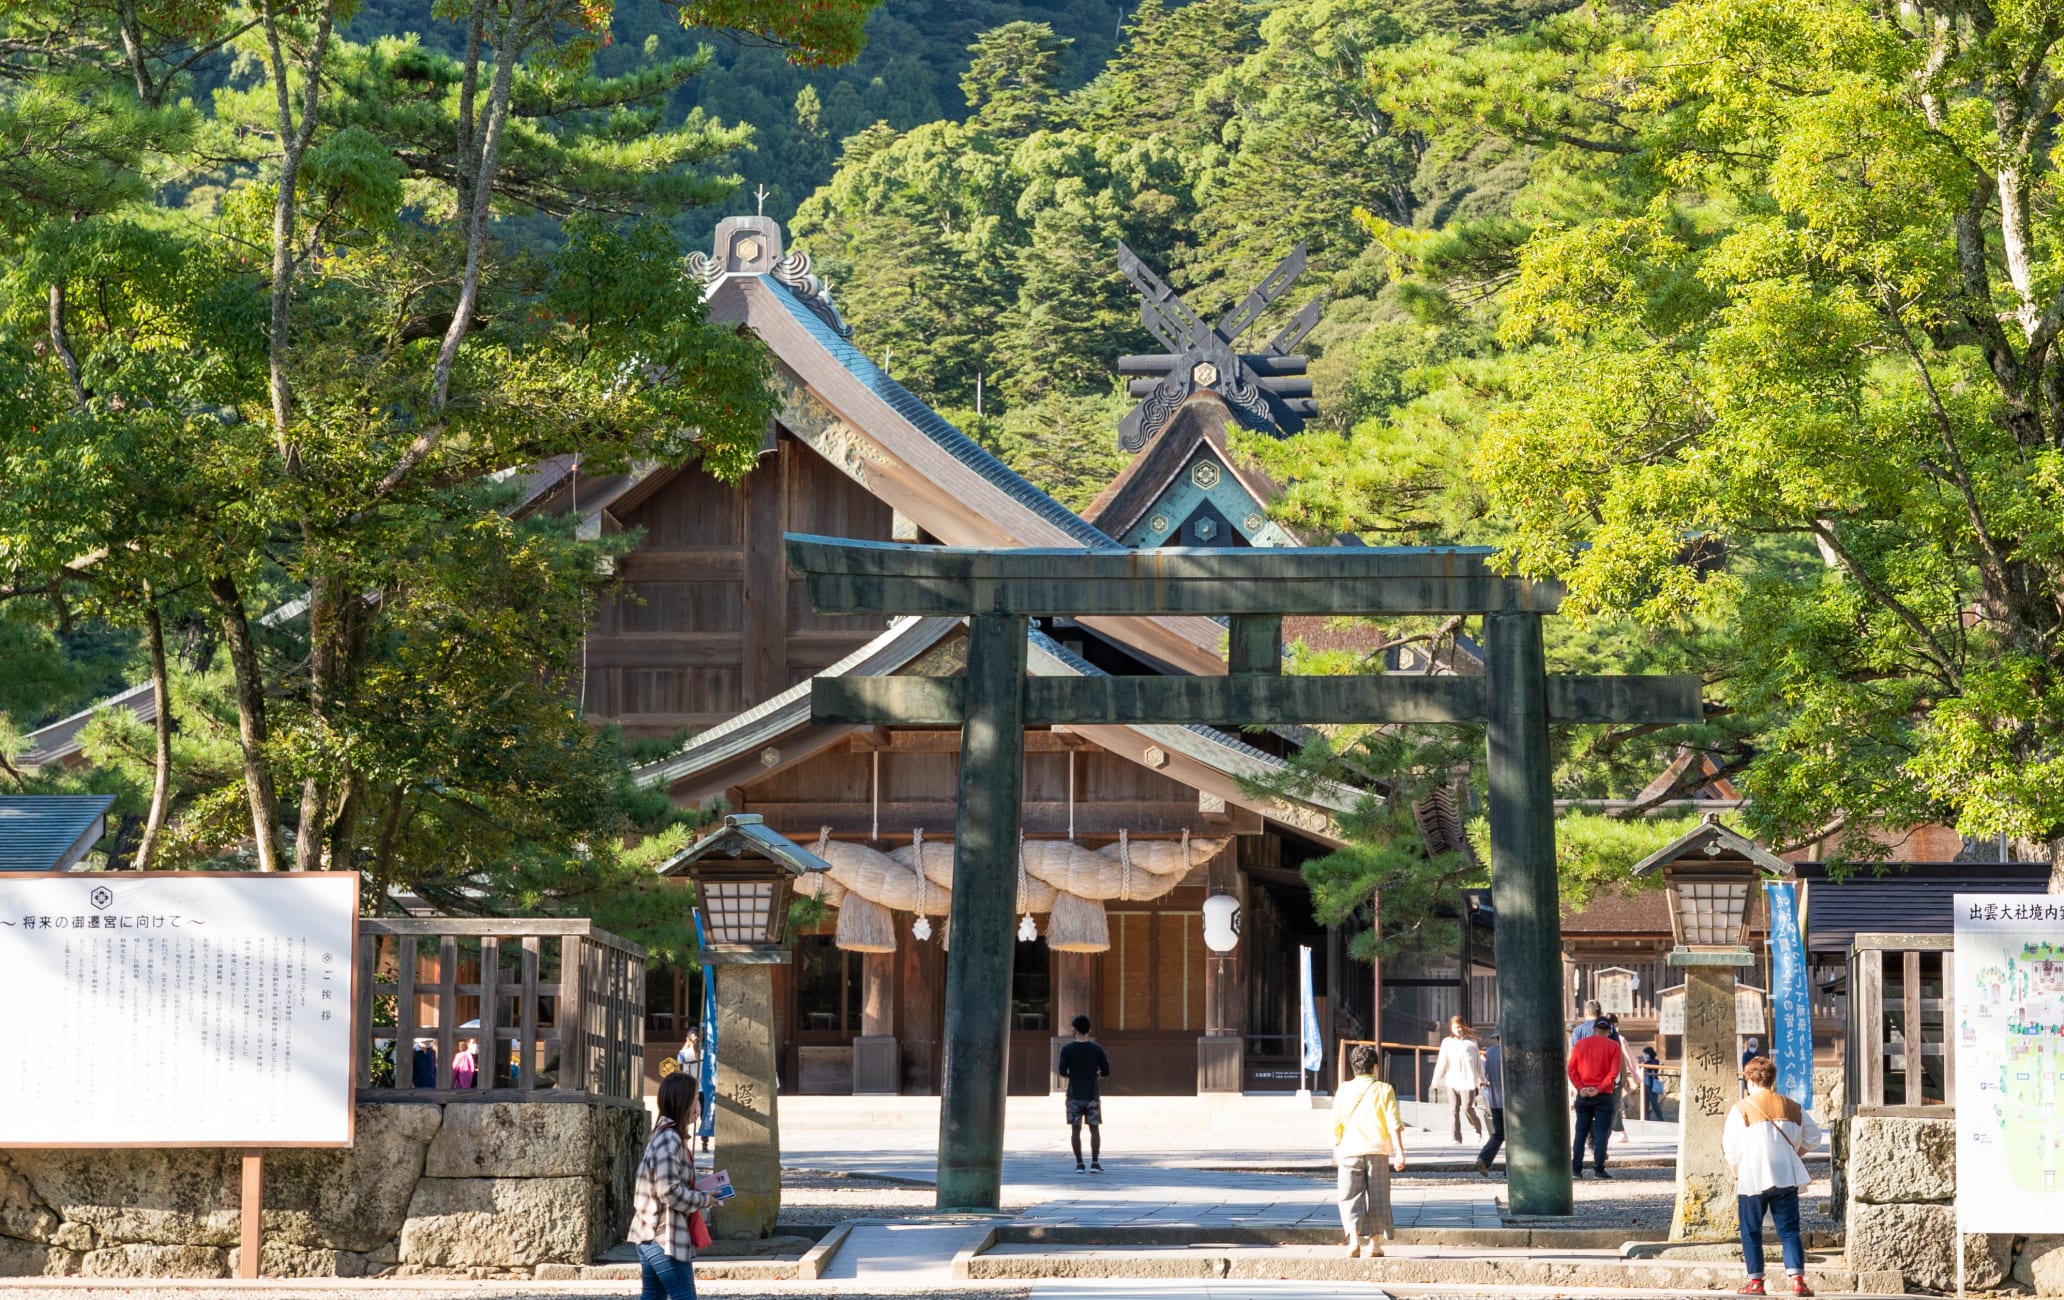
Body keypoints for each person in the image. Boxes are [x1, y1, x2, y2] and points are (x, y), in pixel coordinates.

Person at [1724, 1056, 1822, 1296]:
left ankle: (1756, 1281)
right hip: (1786, 1174)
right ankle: (1797, 1280)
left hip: (1752, 1174)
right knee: (1788, 1230)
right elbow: (1814, 1137)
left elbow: (1732, 1149)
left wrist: (1736, 1175)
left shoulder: (1742, 1108)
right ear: (1772, 1079)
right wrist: (1794, 1153)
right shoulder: (1792, 1106)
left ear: (1749, 1080)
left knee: (1751, 1230)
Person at [629, 1071, 716, 1300]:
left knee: (653, 1296)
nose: (699, 1105)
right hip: (663, 1236)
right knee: (684, 1296)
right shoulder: (670, 1139)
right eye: (696, 1100)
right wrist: (705, 1199)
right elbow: (669, 1191)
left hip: (650, 1232)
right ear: (683, 1102)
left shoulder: (664, 1135)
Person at [1332, 1042, 1405, 1259]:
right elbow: (1394, 1123)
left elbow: (1336, 1123)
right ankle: (1374, 1244)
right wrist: (1400, 1152)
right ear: (1375, 1067)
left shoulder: (1343, 1089)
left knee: (1349, 1197)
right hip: (1378, 1150)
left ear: (1353, 1067)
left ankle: (1354, 1240)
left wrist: (1336, 1148)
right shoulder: (1385, 1089)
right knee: (1379, 1198)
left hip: (1350, 1150)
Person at [1567, 1015, 1622, 1178]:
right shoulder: (1613, 1046)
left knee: (1580, 1132)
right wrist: (1599, 1088)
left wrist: (1580, 1087)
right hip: (1603, 1095)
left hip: (1583, 1095)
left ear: (1594, 1029)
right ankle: (1598, 1168)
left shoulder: (1580, 1045)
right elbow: (1613, 1073)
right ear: (1608, 1030)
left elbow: (1571, 1070)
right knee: (1601, 1132)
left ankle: (1576, 1169)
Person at [1056, 1014, 1110, 1173]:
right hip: (1092, 1094)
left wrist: (1073, 1074)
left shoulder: (1066, 1049)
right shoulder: (1097, 1049)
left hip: (1074, 1094)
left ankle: (1079, 1164)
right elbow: (1106, 1071)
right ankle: (1095, 1162)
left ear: (1074, 1029)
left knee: (1075, 1129)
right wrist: (1095, 1074)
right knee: (1094, 1128)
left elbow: (1062, 1071)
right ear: (1089, 1030)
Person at [1430, 1015, 1487, 1143]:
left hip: (1468, 1080)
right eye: (1456, 1028)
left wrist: (1482, 1079)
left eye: (1460, 1027)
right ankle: (1455, 1137)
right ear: (1451, 1028)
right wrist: (1435, 1078)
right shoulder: (1447, 1042)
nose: (1458, 1030)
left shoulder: (1472, 1043)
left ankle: (1477, 1129)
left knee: (1467, 1108)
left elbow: (1478, 1063)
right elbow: (1441, 1062)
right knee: (1453, 1109)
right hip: (1452, 1080)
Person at [1474, 1030, 1505, 1178]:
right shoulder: (1512, 1052)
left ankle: (1484, 1159)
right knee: (1516, 1136)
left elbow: (1485, 1074)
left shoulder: (1491, 1052)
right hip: (1511, 1102)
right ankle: (1512, 1169)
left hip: (1494, 1100)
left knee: (1499, 1134)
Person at [1640, 1045, 1664, 1120]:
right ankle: (1646, 1118)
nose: (1644, 1055)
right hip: (1644, 1084)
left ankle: (1660, 1118)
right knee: (1645, 1103)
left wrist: (1645, 1062)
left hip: (1651, 1084)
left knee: (1654, 1102)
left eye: (1645, 1053)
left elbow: (1652, 1066)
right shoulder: (1644, 1061)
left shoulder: (1655, 1061)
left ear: (1649, 1053)